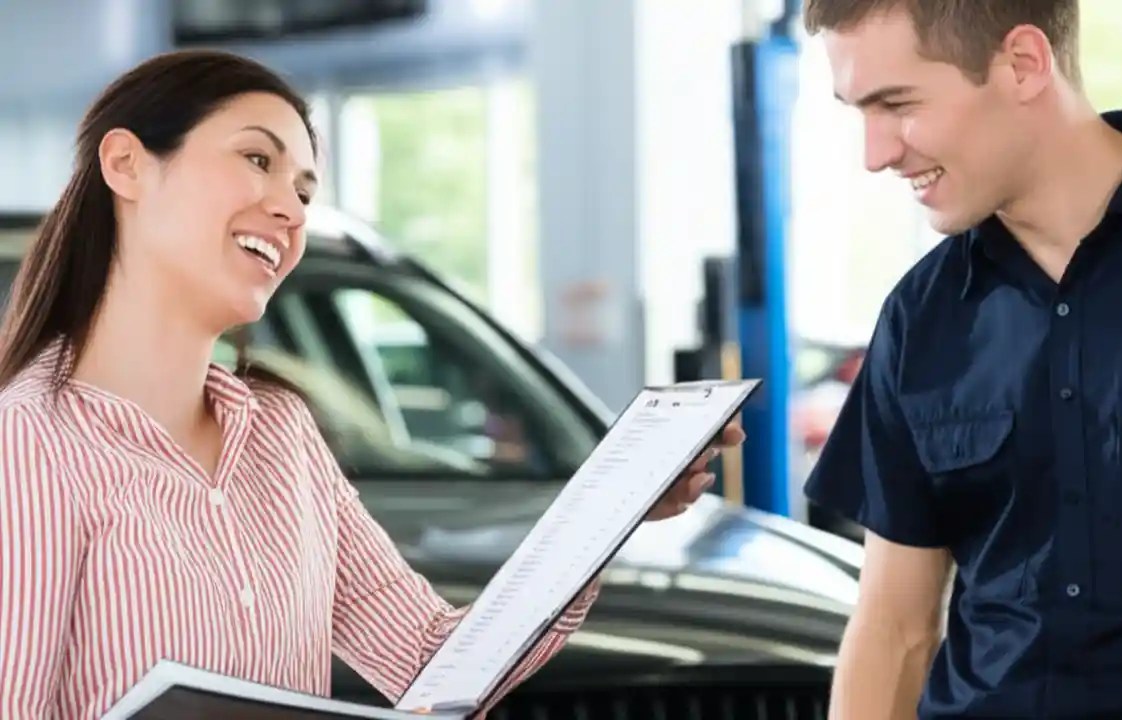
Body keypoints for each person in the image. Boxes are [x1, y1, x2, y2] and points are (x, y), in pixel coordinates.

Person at [0, 49, 745, 720]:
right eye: (257, 160)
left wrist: (610, 512)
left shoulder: (281, 438)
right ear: (127, 164)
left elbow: (429, 663)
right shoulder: (29, 441)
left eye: (303, 187)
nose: (290, 208)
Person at [800, 0, 1122, 718]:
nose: (875, 154)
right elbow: (894, 629)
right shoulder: (919, 318)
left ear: (1023, 63)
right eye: (856, 112)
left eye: (896, 104)